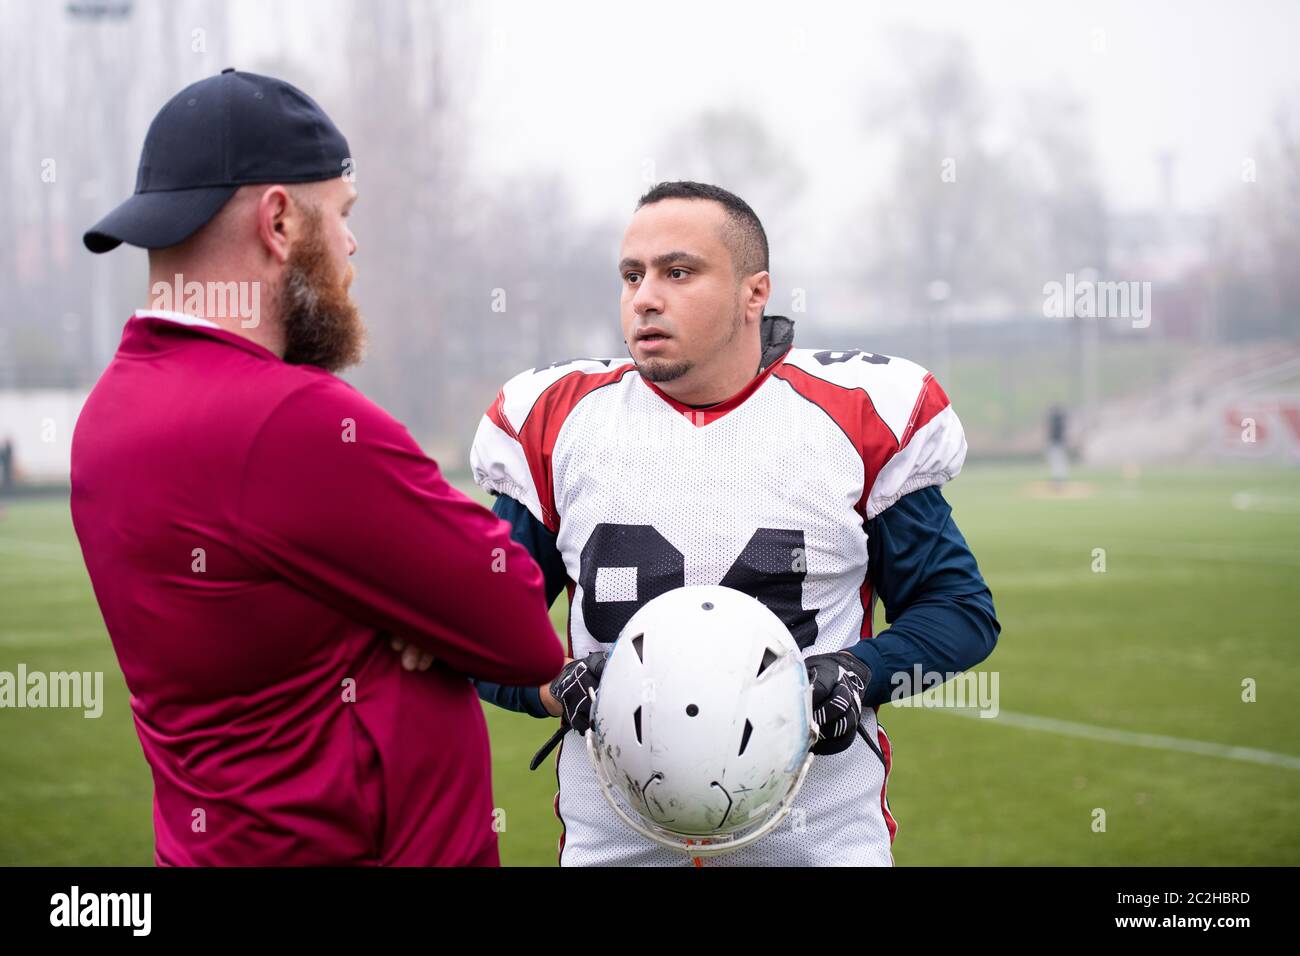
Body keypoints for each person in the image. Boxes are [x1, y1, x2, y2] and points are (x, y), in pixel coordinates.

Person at [71, 69, 562, 866]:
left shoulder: (107, 412)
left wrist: (396, 618)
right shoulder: (289, 420)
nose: (351, 243)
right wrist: (420, 619)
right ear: (278, 221)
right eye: (341, 213)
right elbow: (515, 618)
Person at [465, 182, 1000, 865]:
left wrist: (862, 671)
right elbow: (474, 630)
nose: (645, 298)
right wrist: (550, 689)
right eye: (633, 276)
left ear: (756, 293)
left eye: (678, 272)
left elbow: (959, 610)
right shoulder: (557, 423)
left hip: (817, 842)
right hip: (616, 844)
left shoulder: (859, 415)